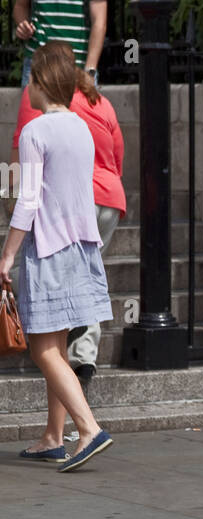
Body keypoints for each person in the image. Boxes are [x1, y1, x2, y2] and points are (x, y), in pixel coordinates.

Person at [0, 42, 114, 471]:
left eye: (30, 77)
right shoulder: (81, 128)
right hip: (81, 248)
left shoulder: (35, 131)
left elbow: (26, 202)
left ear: (42, 82)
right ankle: (52, 436)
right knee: (59, 347)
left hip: (46, 251)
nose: (26, 86)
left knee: (42, 351)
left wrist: (6, 256)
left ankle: (88, 430)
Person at [13, 50, 126, 391]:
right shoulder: (100, 100)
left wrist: (14, 195)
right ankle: (84, 357)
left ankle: (57, 344)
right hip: (109, 199)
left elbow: (21, 144)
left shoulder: (44, 108)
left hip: (72, 202)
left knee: (42, 279)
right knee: (81, 281)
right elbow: (118, 150)